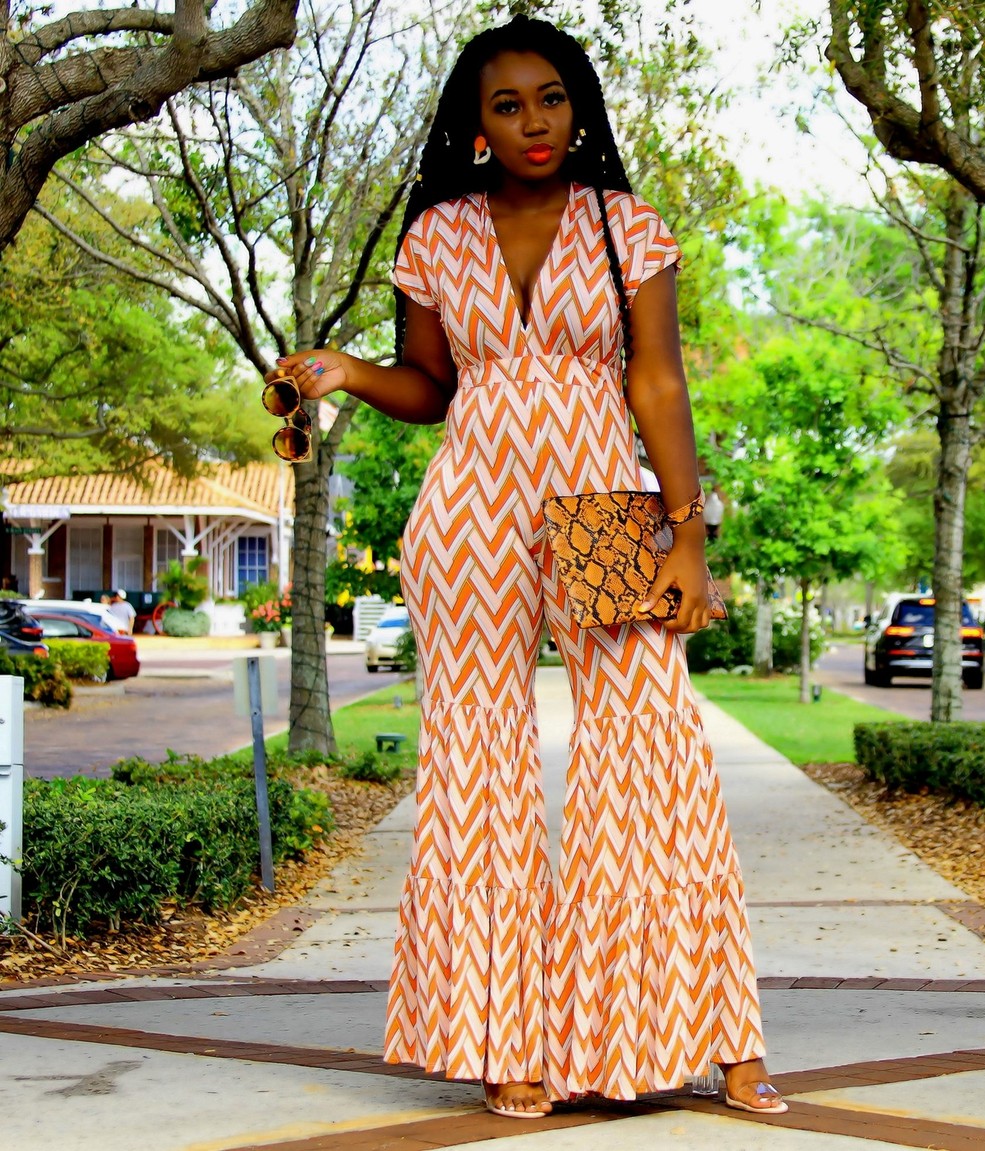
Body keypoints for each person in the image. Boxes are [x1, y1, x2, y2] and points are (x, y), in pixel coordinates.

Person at [268, 16, 784, 1121]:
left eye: (552, 98)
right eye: (508, 105)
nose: (535, 122)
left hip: (602, 504)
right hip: (472, 511)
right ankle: (504, 1033)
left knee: (652, 746)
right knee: (479, 765)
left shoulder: (626, 226)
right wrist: (348, 371)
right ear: (475, 127)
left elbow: (657, 382)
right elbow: (430, 386)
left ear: (578, 109)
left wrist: (687, 534)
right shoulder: (436, 236)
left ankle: (712, 1030)